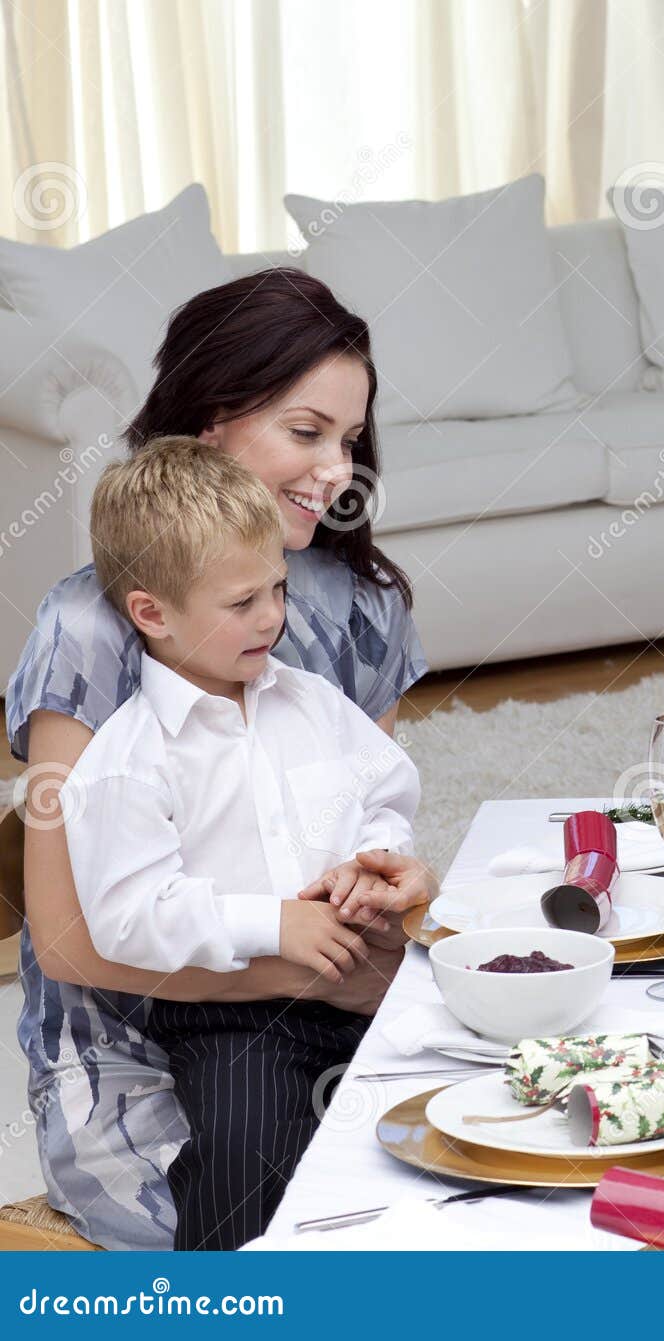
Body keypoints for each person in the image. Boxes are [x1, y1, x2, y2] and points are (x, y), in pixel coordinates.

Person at [6, 269, 432, 1249]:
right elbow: (75, 942)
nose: (338, 470)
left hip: (327, 983)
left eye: (351, 438)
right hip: (152, 1017)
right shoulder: (90, 623)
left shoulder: (365, 606)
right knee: (275, 1215)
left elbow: (369, 815)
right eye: (306, 430)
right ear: (211, 423)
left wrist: (389, 904)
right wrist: (302, 967)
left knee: (473, 1148)